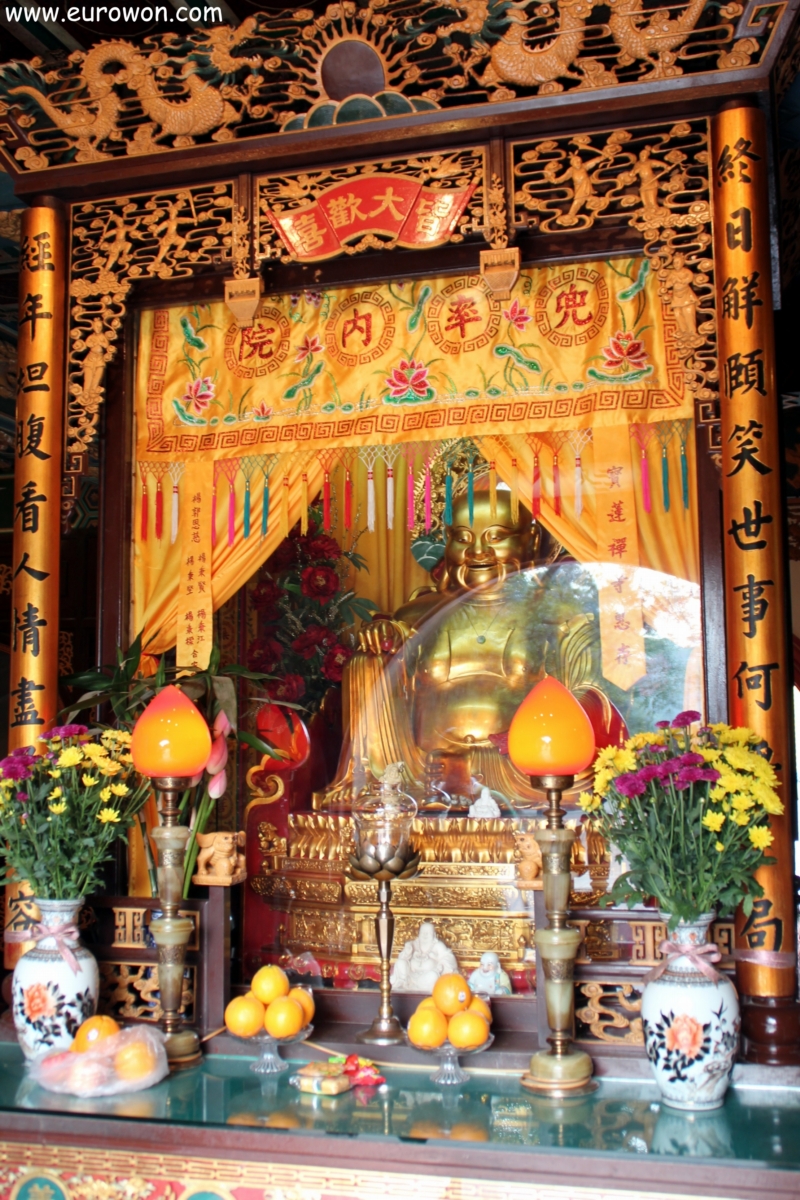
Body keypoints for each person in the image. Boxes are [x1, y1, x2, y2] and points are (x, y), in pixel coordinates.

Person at [390, 920, 458, 993]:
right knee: (400, 963)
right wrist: (407, 952)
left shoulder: (438, 946)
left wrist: (439, 962)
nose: (425, 935)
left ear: (434, 935)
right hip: (410, 977)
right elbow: (402, 958)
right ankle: (403, 986)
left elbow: (449, 959)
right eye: (423, 932)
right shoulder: (413, 944)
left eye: (428, 933)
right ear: (419, 934)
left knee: (433, 975)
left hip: (427, 977)